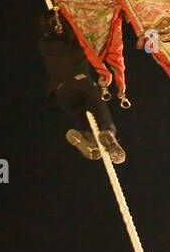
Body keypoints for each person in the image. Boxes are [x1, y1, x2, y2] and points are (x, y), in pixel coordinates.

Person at [38, 10, 125, 163]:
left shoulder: (44, 45)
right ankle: (108, 134)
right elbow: (74, 31)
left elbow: (55, 33)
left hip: (62, 91)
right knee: (103, 119)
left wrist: (54, 22)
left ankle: (89, 141)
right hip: (82, 84)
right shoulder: (75, 40)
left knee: (83, 122)